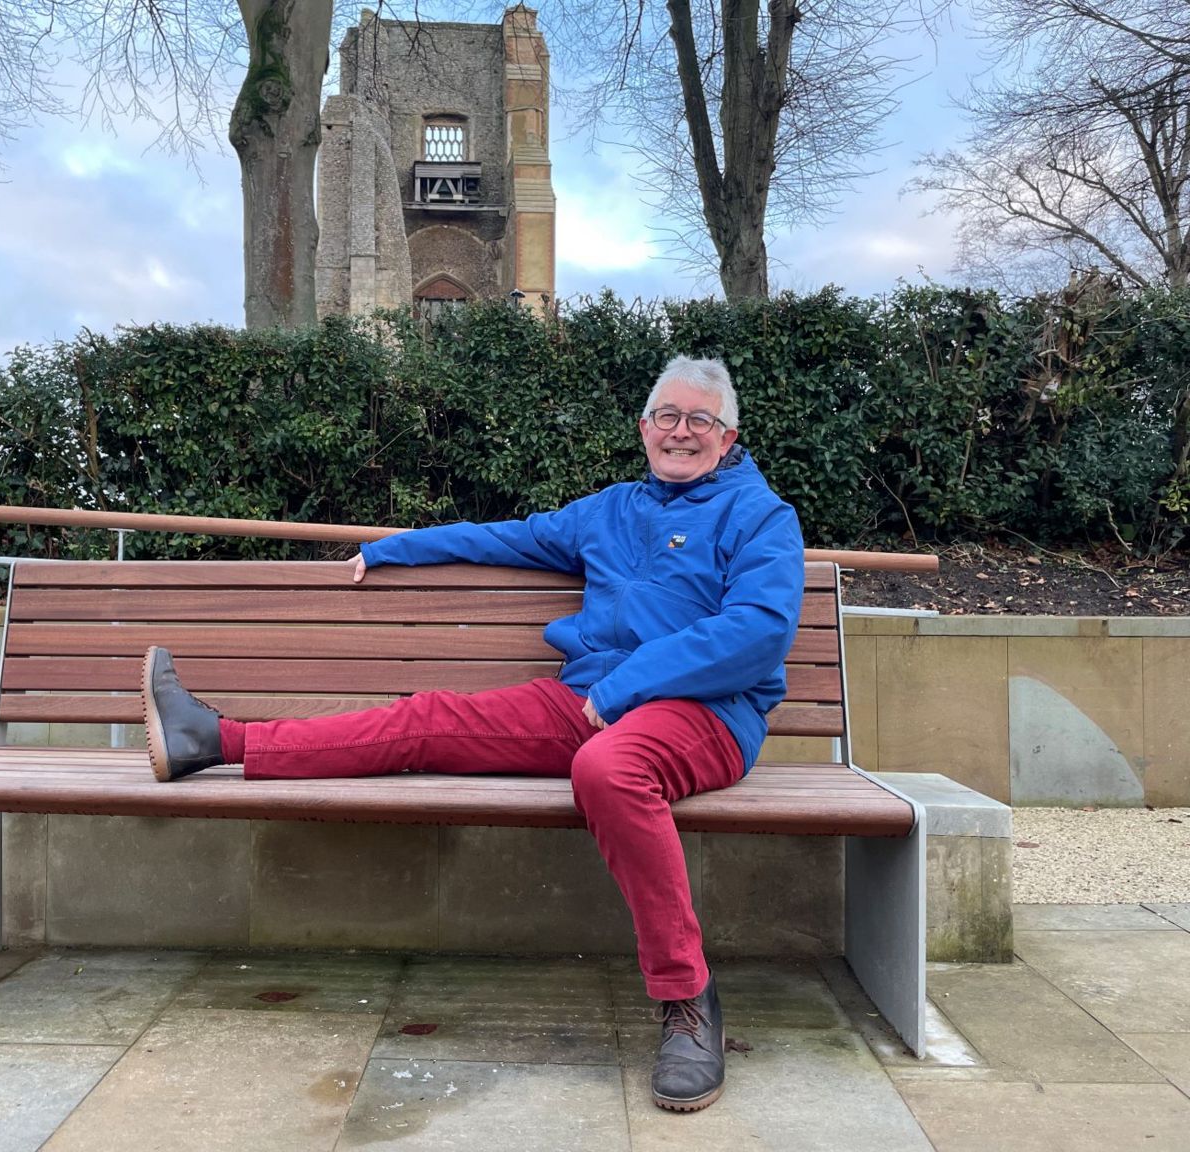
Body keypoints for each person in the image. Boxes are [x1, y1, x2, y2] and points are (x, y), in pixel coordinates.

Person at [141, 354, 805, 1113]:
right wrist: (393, 549)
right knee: (428, 720)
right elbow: (504, 538)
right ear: (643, 427)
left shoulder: (759, 517)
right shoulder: (609, 511)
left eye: (700, 421)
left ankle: (688, 1002)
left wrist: (628, 685)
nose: (681, 433)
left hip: (704, 715)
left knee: (609, 767)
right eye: (667, 417)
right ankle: (214, 741)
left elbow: (755, 633)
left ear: (729, 437)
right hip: (587, 703)